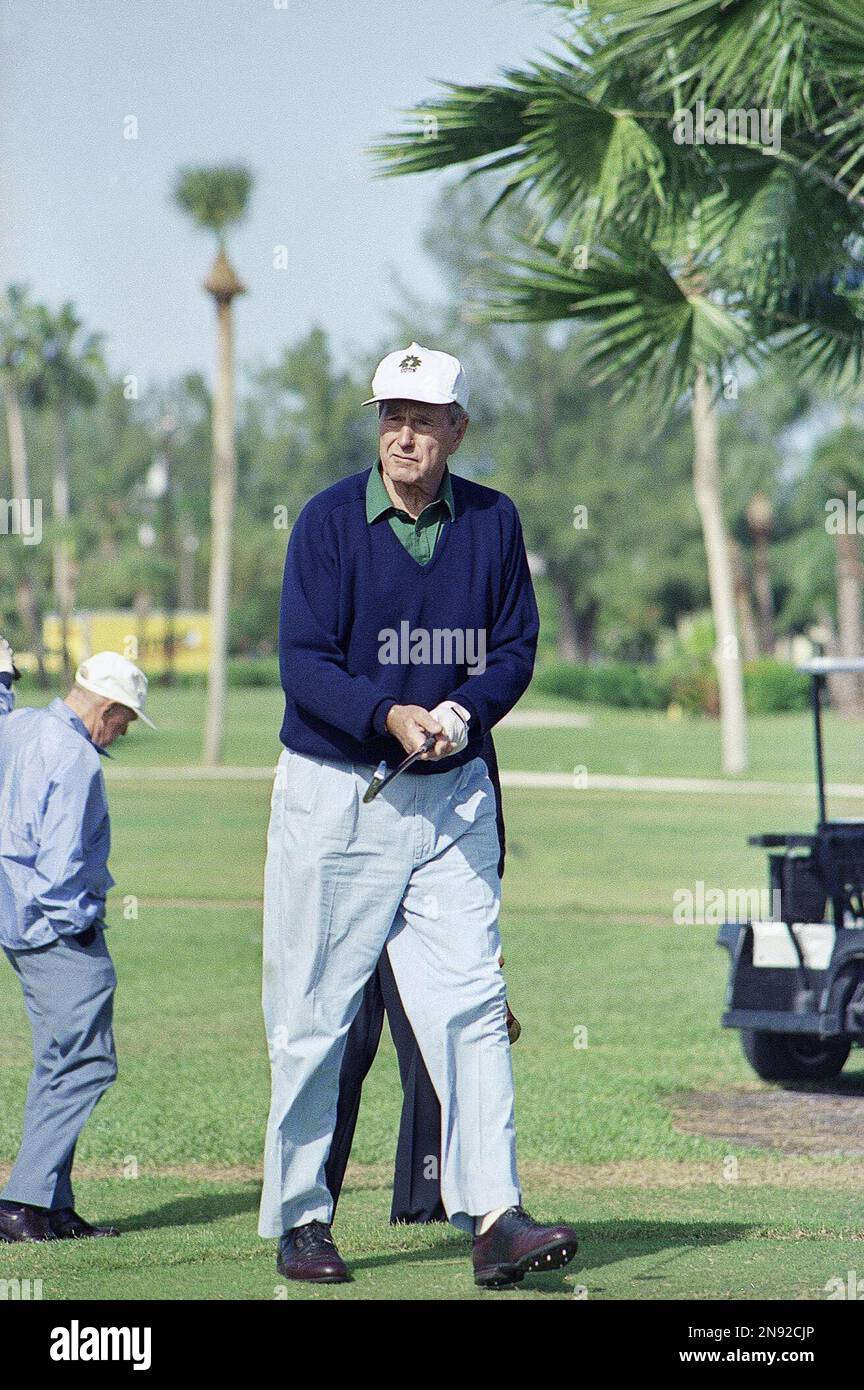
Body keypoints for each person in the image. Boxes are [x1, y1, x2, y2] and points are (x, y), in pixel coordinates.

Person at [259, 341, 579, 1288]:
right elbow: (304, 662)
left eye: (424, 417)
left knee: (473, 1005)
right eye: (391, 416)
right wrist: (385, 713)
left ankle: (494, 1215)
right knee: (313, 1015)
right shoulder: (325, 522)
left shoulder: (492, 520)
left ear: (457, 429)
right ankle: (304, 1220)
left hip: (452, 797)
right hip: (340, 794)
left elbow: (515, 647)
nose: (404, 432)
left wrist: (463, 711)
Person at [0, 642, 154, 1243]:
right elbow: (60, 862)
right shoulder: (77, 759)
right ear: (108, 708)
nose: (124, 731)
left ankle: (51, 1206)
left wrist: (3, 676)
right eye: (126, 718)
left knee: (60, 1060)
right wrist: (79, 925)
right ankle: (21, 1201)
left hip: (14, 921)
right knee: (88, 1063)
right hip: (56, 930)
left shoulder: (22, 727)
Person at [328, 732, 510, 1225]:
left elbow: (486, 822)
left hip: (432, 904)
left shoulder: (464, 719)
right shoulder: (363, 711)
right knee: (339, 1056)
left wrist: (482, 939)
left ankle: (421, 1209)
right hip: (358, 890)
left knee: (434, 1050)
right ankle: (309, 1214)